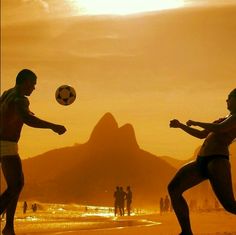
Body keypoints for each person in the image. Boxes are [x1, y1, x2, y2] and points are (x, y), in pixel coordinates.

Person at [0, 69, 66, 235]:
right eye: (33, 83)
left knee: (14, 185)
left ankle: (9, 228)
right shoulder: (20, 100)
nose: (34, 88)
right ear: (25, 82)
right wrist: (53, 126)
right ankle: (8, 227)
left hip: (3, 142)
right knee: (17, 184)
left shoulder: (7, 94)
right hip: (7, 144)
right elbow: (27, 119)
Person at [168, 88, 236, 235]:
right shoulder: (223, 117)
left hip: (218, 161)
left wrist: (197, 122)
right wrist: (181, 125)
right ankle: (186, 231)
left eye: (229, 97)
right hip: (201, 161)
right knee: (174, 189)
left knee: (230, 205)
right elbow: (200, 135)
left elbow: (220, 129)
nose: (226, 100)